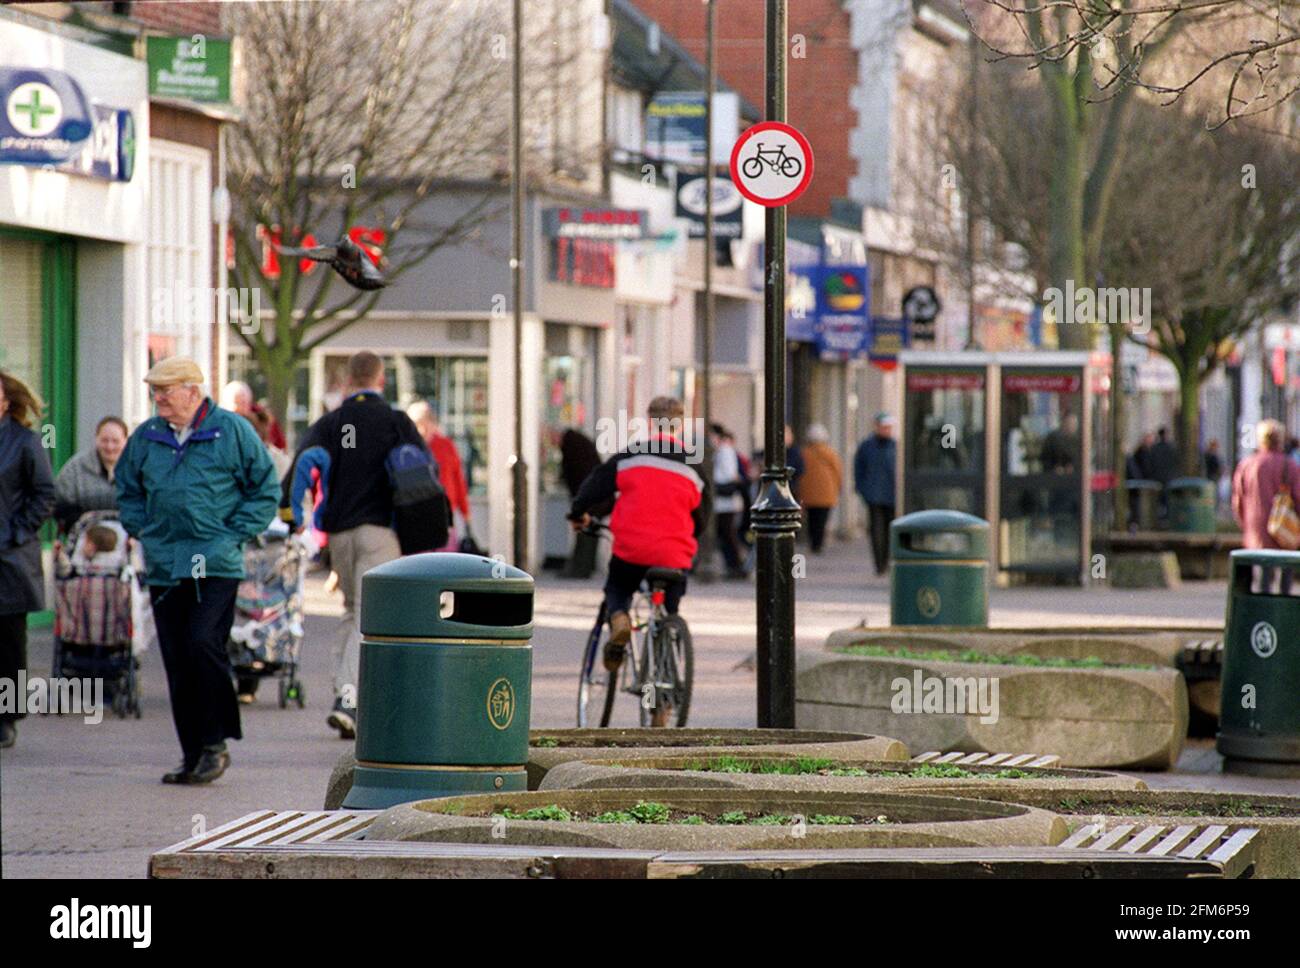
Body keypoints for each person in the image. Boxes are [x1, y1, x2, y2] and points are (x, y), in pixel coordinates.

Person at [115, 357, 279, 783]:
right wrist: (143, 528)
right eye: (155, 391)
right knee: (176, 659)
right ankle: (193, 755)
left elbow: (265, 489)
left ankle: (215, 743)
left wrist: (233, 534)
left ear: (192, 390)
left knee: (203, 643)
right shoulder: (148, 436)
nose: (159, 399)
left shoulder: (232, 430)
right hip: (167, 565)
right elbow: (127, 488)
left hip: (216, 564)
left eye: (166, 391)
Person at [280, 351, 430, 739]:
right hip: (381, 532)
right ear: (382, 381)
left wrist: (292, 518)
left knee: (352, 611)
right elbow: (426, 475)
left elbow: (300, 468)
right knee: (370, 613)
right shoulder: (396, 422)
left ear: (348, 381)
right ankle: (348, 700)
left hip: (340, 537)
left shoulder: (330, 424)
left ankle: (346, 694)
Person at [569, 396, 707, 671]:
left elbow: (595, 484)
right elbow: (702, 519)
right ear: (680, 426)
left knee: (618, 586)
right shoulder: (695, 466)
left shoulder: (630, 456)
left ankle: (619, 617)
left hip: (633, 550)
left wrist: (578, 513)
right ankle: (666, 695)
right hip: (673, 555)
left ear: (649, 422)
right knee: (671, 610)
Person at [0, 371, 56, 750]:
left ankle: (7, 719)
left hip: (9, 560)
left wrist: (16, 533)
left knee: (7, 645)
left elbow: (45, 494)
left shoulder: (24, 442)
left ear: (6, 402)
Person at [407, 400, 470, 551]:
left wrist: (465, 511)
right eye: (417, 425)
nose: (422, 429)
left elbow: (457, 480)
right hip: (417, 513)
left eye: (425, 423)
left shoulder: (445, 445)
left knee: (444, 562)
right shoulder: (407, 448)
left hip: (444, 512)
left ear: (432, 423)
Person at [52, 416, 128, 534]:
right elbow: (58, 503)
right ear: (96, 439)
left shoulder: (139, 469)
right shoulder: (75, 467)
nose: (109, 447)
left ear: (126, 441)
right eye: (104, 440)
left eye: (115, 441)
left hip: (129, 539)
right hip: (83, 538)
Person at [1232, 419, 1300, 549]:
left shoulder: (1246, 465)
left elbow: (1238, 502)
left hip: (1255, 533)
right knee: (1285, 566)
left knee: (1259, 565)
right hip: (1284, 535)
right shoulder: (1290, 466)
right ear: (1280, 440)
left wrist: (1247, 524)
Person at [854, 412, 897, 576]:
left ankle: (886, 561)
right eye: (884, 427)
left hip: (892, 496)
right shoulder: (866, 446)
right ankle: (879, 564)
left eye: (889, 427)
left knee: (890, 530)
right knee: (877, 531)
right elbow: (859, 469)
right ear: (877, 427)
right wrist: (862, 489)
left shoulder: (895, 445)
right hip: (873, 496)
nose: (887, 430)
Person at [799, 424, 843, 554]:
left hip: (809, 493)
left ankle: (813, 543)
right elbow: (838, 471)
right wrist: (838, 487)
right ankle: (819, 543)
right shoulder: (830, 453)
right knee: (822, 519)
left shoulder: (804, 453)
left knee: (812, 519)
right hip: (827, 493)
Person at [711, 424, 747, 579]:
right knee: (725, 534)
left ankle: (735, 565)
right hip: (723, 502)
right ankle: (733, 565)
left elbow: (730, 475)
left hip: (725, 501)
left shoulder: (725, 451)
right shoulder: (721, 450)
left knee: (727, 534)